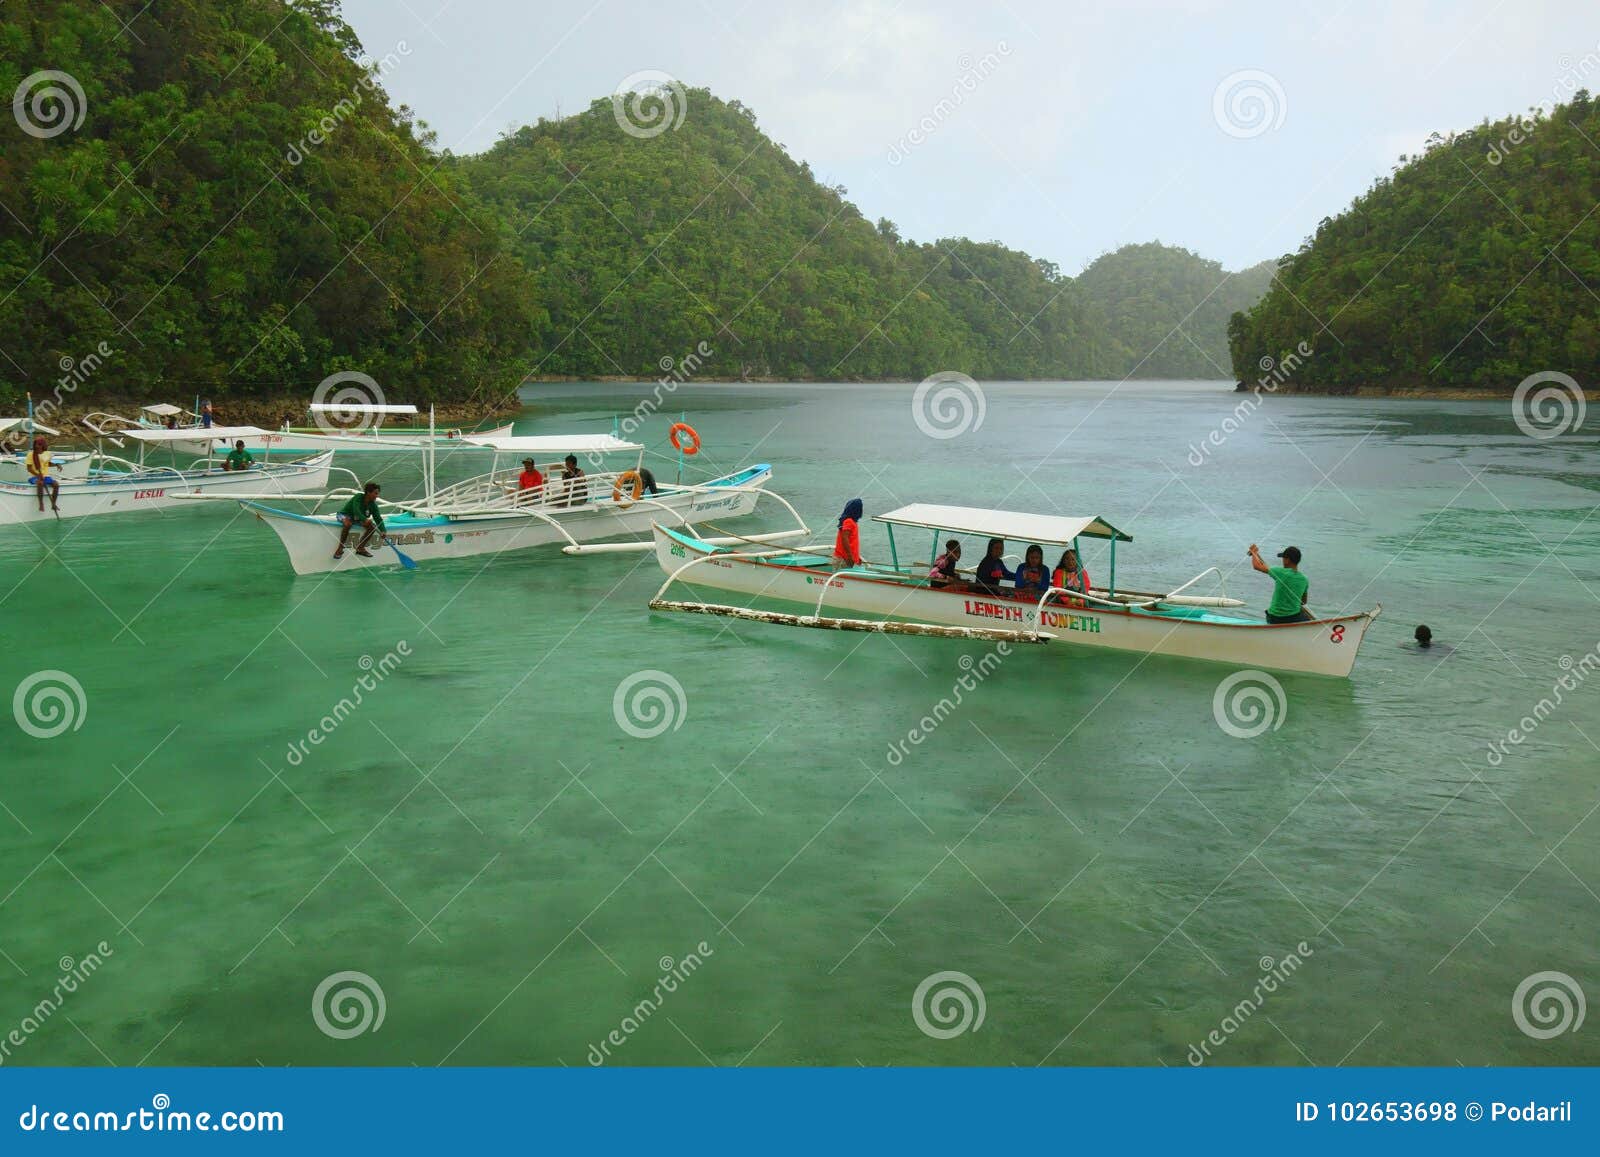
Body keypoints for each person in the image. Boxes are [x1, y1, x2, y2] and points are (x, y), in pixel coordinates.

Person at [1249, 543, 1311, 623]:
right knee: (1306, 616)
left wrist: (1253, 552)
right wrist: (1256, 554)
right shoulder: (1304, 579)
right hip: (1293, 617)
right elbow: (1303, 602)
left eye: (1283, 558)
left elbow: (1257, 566)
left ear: (1287, 560)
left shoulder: (1280, 572)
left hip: (1275, 618)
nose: (1282, 560)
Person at [335, 482, 385, 559]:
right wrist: (365, 519)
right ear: (368, 492)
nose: (377, 496)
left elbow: (378, 518)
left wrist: (383, 530)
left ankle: (360, 548)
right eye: (375, 493)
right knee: (348, 524)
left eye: (377, 494)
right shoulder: (358, 497)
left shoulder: (373, 505)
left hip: (357, 519)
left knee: (372, 527)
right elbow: (356, 510)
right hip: (344, 515)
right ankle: (340, 548)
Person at [25, 436, 59, 514]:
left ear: (43, 445)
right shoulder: (31, 454)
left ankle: (53, 504)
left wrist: (56, 464)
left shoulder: (48, 453)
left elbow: (48, 463)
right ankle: (41, 503)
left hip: (46, 476)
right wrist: (37, 475)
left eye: (40, 444)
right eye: (36, 444)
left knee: (56, 484)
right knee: (40, 483)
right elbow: (29, 468)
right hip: (34, 476)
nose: (37, 446)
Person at [833, 498, 864, 568]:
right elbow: (845, 539)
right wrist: (850, 557)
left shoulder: (850, 521)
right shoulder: (849, 521)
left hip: (845, 557)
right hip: (844, 558)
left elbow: (851, 541)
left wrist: (856, 557)